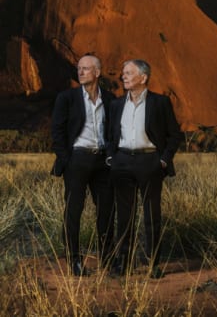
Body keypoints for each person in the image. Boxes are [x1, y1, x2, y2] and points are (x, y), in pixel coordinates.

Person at [106, 59, 181, 279]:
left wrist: (164, 160)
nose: (123, 77)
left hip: (150, 162)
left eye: (129, 73)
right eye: (123, 73)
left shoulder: (160, 103)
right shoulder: (117, 105)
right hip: (122, 162)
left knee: (151, 216)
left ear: (143, 77)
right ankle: (124, 263)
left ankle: (153, 264)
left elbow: (174, 135)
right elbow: (110, 135)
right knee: (124, 216)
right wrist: (112, 157)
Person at [51, 54, 116, 276]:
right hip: (77, 159)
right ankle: (74, 262)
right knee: (73, 212)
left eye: (86, 69)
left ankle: (107, 260)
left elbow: (115, 131)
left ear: (97, 73)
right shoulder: (66, 98)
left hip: (102, 162)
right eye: (79, 68)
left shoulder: (110, 99)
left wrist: (112, 155)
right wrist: (66, 159)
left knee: (107, 210)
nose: (80, 72)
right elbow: (57, 132)